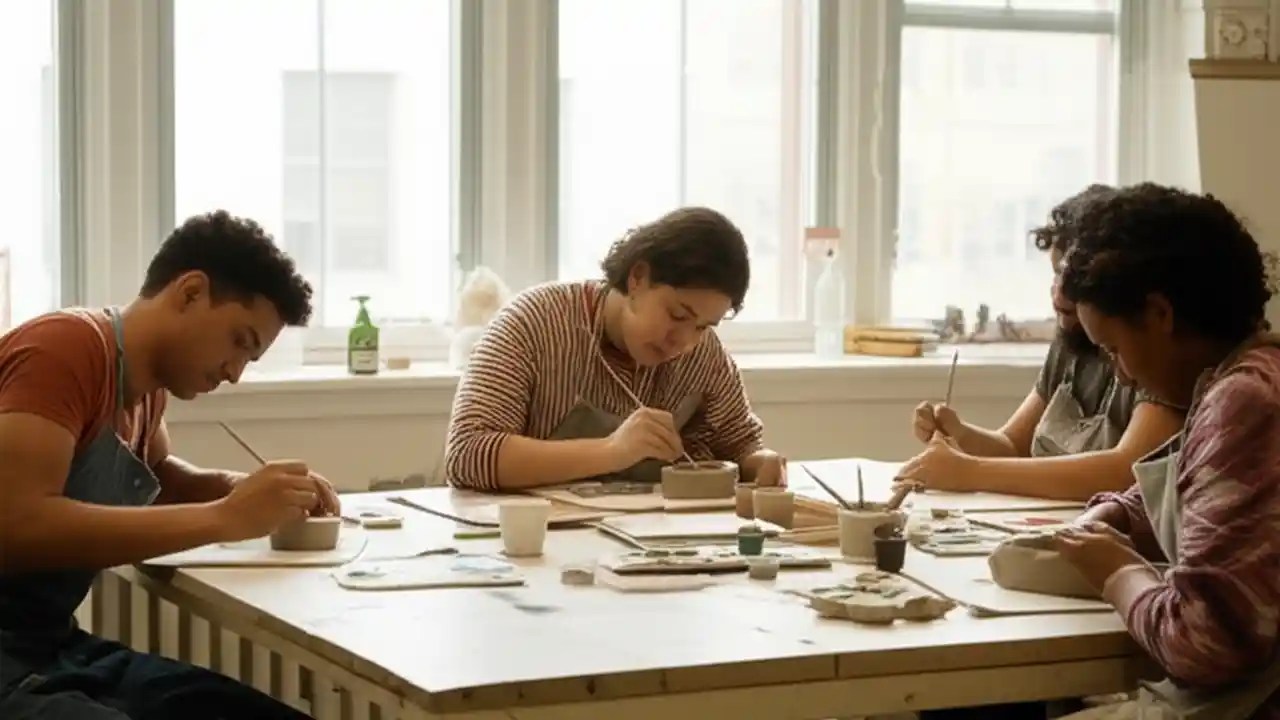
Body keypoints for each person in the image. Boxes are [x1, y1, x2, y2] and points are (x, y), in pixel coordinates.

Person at [0, 210, 340, 719]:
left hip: (47, 644)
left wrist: (236, 488)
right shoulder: (63, 350)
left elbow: (157, 478)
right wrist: (227, 517)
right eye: (240, 342)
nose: (235, 373)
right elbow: (14, 523)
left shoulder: (145, 390)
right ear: (190, 292)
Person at [1047, 184, 1280, 720]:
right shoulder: (1245, 374)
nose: (1122, 374)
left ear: (1159, 314)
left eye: (1113, 349)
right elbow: (1201, 490)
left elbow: (1204, 646)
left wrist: (1118, 573)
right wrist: (1121, 514)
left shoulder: (1246, 400)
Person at [445, 206, 786, 491]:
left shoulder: (702, 355)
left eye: (702, 326)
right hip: (540, 543)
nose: (684, 342)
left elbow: (742, 444)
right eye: (677, 315)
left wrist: (761, 463)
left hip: (656, 544)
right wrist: (613, 450)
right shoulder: (534, 322)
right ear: (637, 278)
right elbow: (467, 454)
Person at [901, 185, 1184, 501]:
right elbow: (1013, 447)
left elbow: (1125, 471)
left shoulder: (1147, 353)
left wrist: (969, 472)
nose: (1057, 294)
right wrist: (960, 434)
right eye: (1054, 276)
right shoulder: (1070, 343)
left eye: (1069, 279)